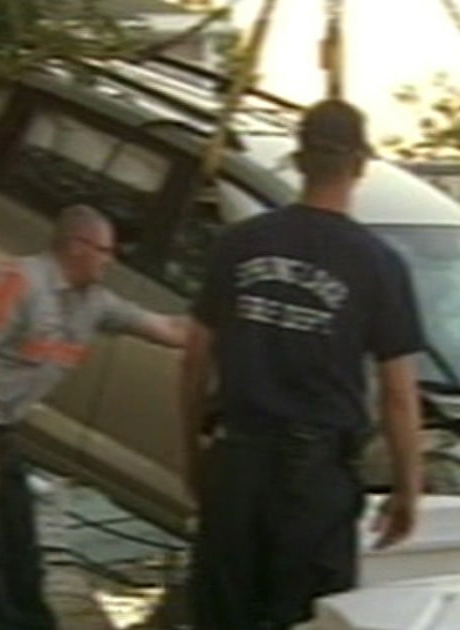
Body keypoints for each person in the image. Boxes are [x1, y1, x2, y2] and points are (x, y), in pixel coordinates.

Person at [180, 99, 426, 629]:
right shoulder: (379, 264)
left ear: (297, 160)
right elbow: (399, 395)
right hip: (314, 483)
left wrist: (193, 457)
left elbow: (195, 359)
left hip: (236, 460)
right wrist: (408, 487)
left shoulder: (239, 244)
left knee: (221, 616)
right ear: (360, 165)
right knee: (304, 619)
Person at [0, 204, 186, 630]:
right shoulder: (18, 281)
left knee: (21, 545)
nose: (110, 260)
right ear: (76, 246)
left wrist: (226, 318)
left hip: (0, 431)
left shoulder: (95, 303)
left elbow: (169, 330)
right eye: (104, 251)